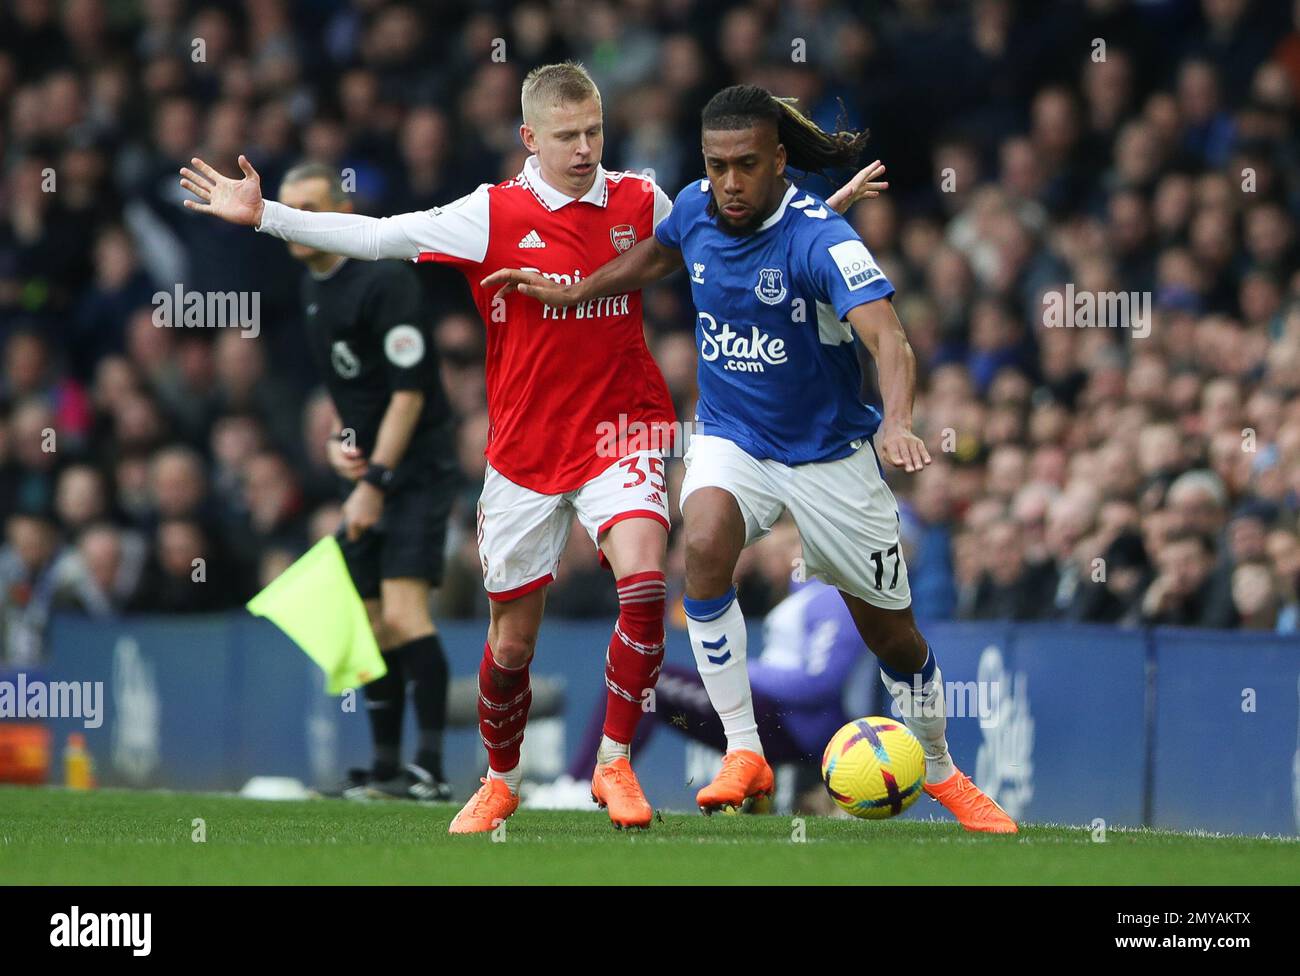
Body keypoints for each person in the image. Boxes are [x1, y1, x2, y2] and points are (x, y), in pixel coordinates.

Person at [179, 64, 883, 833]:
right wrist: (266, 216)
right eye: (568, 136)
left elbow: (730, 233)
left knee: (647, 584)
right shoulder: (490, 214)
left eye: (595, 132)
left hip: (625, 428)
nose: (585, 150)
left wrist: (827, 214)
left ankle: (613, 762)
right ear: (529, 138)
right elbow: (380, 236)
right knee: (511, 642)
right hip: (523, 450)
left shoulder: (640, 199)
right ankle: (500, 778)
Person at [485, 84, 1016, 833]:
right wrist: (576, 291)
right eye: (715, 164)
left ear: (778, 163)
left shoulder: (823, 240)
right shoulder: (698, 206)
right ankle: (743, 749)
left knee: (893, 635)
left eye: (744, 166)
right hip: (733, 437)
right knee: (700, 544)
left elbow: (888, 337)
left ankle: (940, 769)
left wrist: (898, 420)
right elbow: (652, 259)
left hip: (830, 455)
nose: (727, 182)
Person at [277, 161, 459, 802]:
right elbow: (353, 391)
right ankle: (386, 768)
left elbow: (409, 395)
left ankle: (432, 770)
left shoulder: (385, 282)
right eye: (288, 208)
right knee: (371, 623)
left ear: (344, 215)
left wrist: (375, 481)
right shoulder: (312, 286)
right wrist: (338, 445)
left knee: (407, 614)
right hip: (370, 471)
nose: (298, 220)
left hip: (415, 472)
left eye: (312, 207)